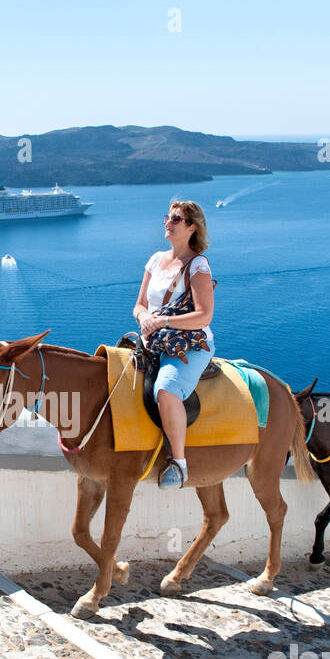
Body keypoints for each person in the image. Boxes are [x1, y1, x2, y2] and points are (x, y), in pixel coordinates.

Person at [132, 200, 215, 489]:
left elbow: (204, 316)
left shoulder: (198, 265)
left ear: (192, 228)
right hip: (152, 340)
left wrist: (162, 321)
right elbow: (139, 305)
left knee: (166, 391)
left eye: (176, 219)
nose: (168, 222)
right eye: (167, 217)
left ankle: (178, 464)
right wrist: (144, 317)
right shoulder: (155, 260)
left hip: (189, 345)